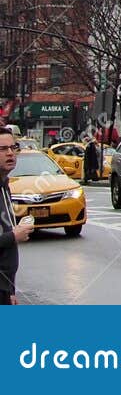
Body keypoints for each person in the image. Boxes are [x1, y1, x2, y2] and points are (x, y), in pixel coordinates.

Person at [0, 128, 33, 304]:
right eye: (3, 149)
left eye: (13, 147)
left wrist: (10, 289)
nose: (10, 153)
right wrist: (14, 235)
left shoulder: (4, 185)